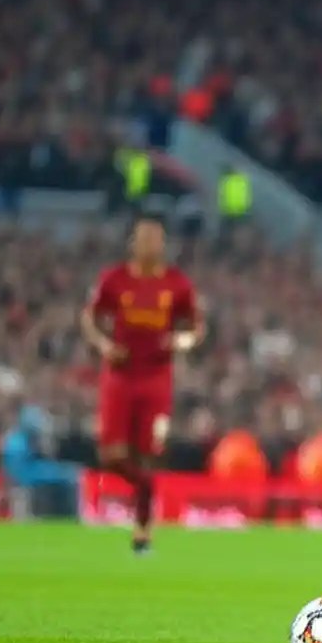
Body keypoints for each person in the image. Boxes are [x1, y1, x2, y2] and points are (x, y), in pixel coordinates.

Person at [81, 216, 204, 554]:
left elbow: (195, 328)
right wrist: (105, 345)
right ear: (133, 243)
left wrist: (180, 342)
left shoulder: (176, 285)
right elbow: (90, 317)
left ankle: (143, 527)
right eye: (144, 238)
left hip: (156, 378)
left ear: (163, 244)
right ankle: (145, 490)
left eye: (156, 239)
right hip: (120, 375)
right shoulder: (115, 280)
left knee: (149, 454)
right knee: (112, 456)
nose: (150, 245)